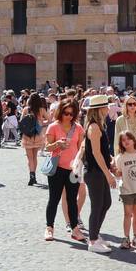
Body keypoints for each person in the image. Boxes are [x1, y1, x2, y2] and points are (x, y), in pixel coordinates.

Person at [43, 98, 85, 242]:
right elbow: (47, 147)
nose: (68, 116)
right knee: (54, 199)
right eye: (66, 113)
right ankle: (49, 228)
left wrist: (80, 163)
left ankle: (74, 228)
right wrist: (57, 144)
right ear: (61, 112)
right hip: (57, 168)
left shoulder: (78, 128)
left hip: (73, 169)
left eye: (72, 114)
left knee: (72, 200)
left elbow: (81, 148)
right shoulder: (53, 127)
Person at [80, 95, 116, 254]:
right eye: (106, 106)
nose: (108, 109)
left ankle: (95, 235)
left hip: (99, 171)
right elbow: (96, 153)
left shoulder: (99, 126)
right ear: (99, 109)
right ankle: (93, 240)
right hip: (95, 172)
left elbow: (102, 151)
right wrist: (108, 173)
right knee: (97, 206)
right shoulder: (94, 127)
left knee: (105, 203)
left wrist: (111, 160)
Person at [114, 131, 136, 250]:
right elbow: (118, 174)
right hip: (126, 189)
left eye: (128, 139)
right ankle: (126, 238)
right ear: (121, 143)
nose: (126, 141)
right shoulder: (120, 158)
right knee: (127, 213)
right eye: (123, 140)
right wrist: (115, 171)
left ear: (134, 140)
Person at [18, 95, 48, 186]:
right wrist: (41, 124)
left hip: (28, 135)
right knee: (34, 157)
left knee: (30, 158)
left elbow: (21, 121)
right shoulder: (42, 110)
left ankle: (32, 176)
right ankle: (34, 176)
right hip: (38, 135)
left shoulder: (26, 109)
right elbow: (50, 120)